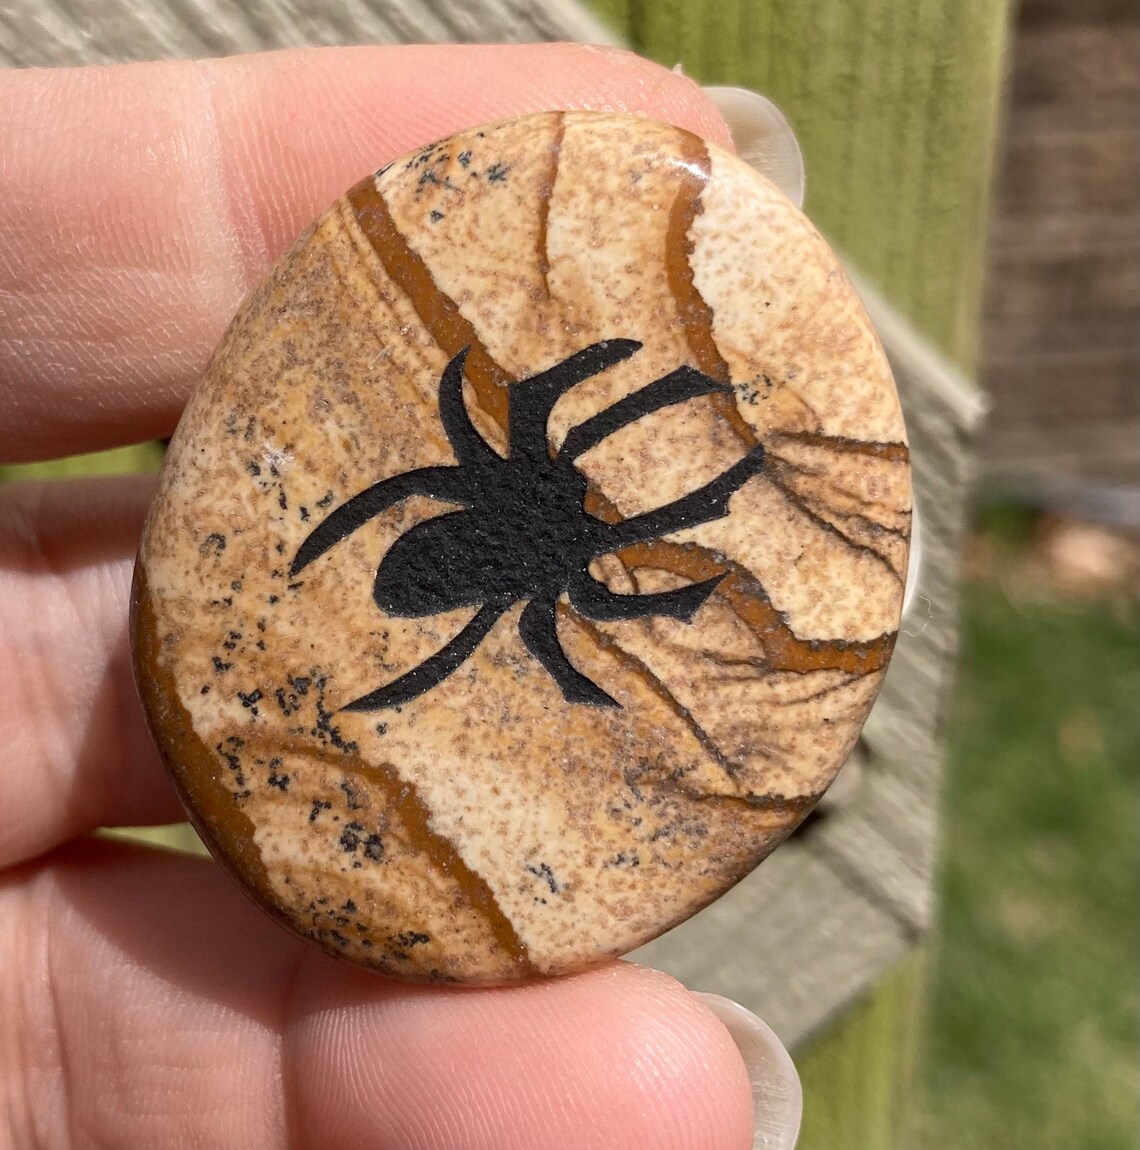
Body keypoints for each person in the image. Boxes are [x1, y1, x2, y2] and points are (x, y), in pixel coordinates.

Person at [0, 43, 802, 1150]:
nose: (580, 487)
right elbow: (533, 529)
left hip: (442, 565)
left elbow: (490, 451)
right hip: (431, 568)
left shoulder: (525, 523)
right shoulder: (550, 560)